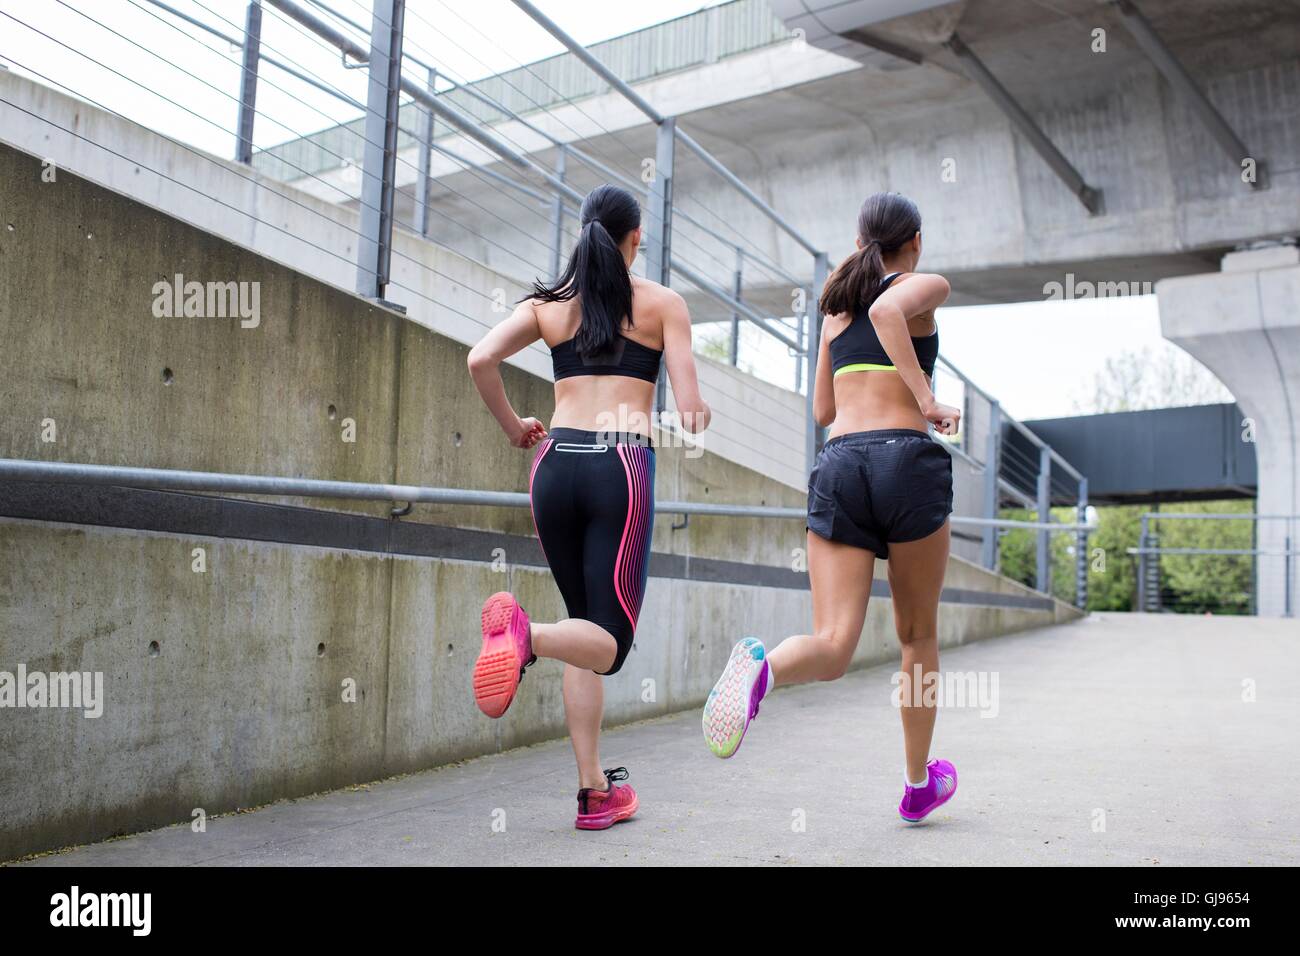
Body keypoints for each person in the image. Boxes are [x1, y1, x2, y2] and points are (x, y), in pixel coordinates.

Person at [701, 191, 963, 824]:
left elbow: (823, 411)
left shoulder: (835, 314)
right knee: (917, 635)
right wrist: (925, 397)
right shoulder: (923, 285)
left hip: (841, 461)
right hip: (905, 460)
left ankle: (762, 671)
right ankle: (916, 781)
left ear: (859, 240)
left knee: (833, 644)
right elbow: (890, 310)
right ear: (916, 242)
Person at [466, 183, 710, 830]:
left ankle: (595, 791)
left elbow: (480, 358)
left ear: (583, 233)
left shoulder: (548, 307)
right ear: (634, 240)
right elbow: (689, 415)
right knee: (610, 643)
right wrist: (696, 415)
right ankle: (528, 635)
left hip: (553, 467)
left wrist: (514, 425)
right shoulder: (664, 305)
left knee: (587, 626)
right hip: (618, 465)